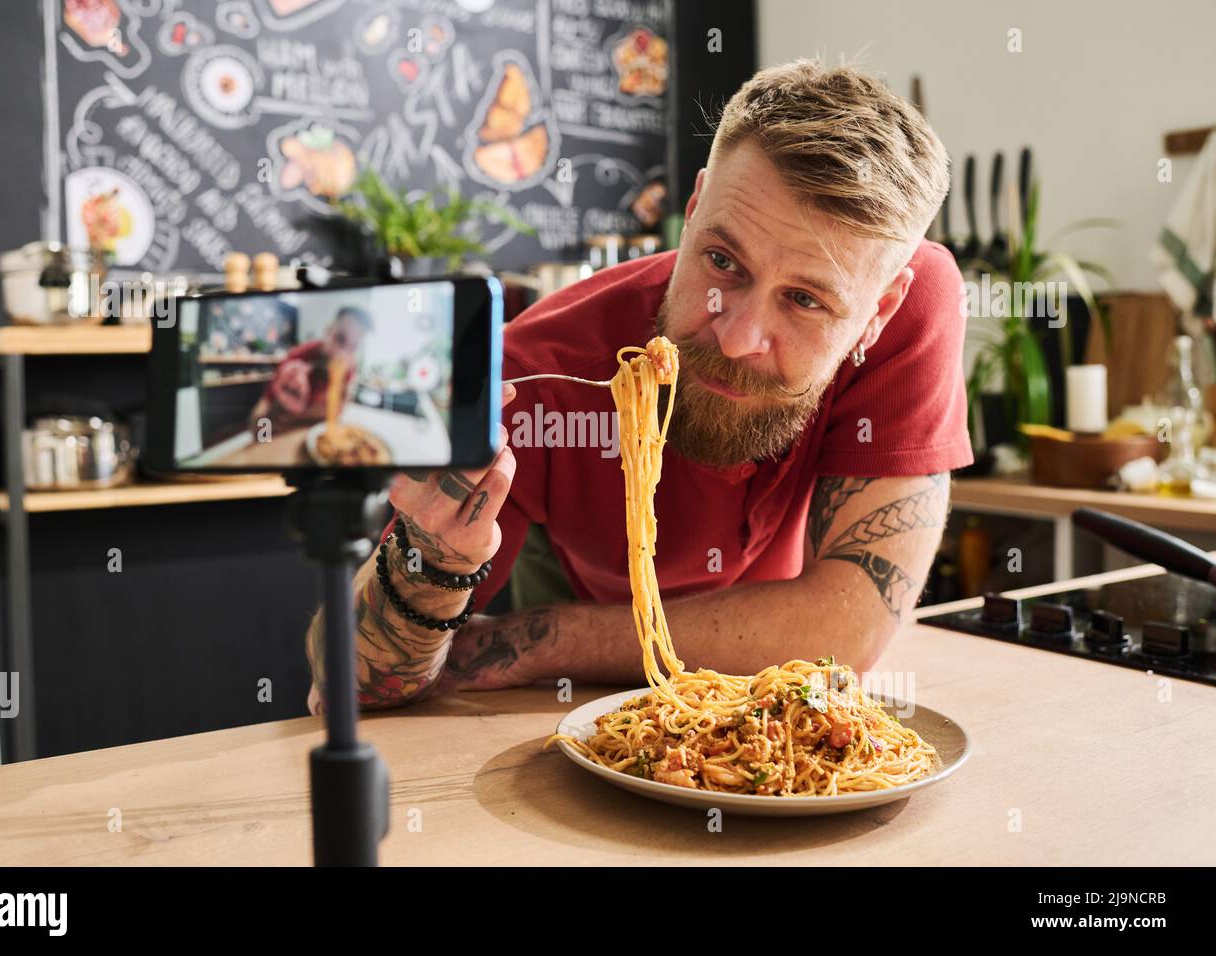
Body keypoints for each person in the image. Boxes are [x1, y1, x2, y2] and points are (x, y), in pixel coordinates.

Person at [308, 59, 972, 715]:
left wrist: (547, 640)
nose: (737, 337)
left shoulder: (913, 307)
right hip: (581, 642)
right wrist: (431, 559)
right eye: (722, 261)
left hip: (718, 686)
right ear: (694, 209)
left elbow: (846, 627)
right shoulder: (533, 375)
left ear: (879, 310)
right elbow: (348, 687)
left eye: (804, 300)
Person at [248, 305, 372, 433]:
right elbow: (262, 413)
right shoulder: (297, 358)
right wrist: (264, 435)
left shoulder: (348, 369)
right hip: (282, 429)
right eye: (340, 339)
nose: (342, 354)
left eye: (353, 347)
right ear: (328, 330)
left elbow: (338, 412)